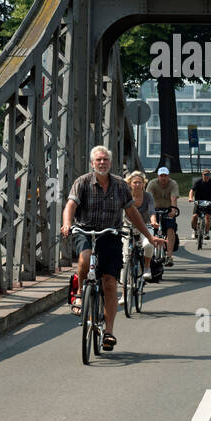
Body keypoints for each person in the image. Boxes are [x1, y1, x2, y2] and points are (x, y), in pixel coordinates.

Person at [62, 146, 164, 351]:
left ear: (110, 163)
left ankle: (108, 332)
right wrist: (67, 223)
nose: (102, 163)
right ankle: (81, 292)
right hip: (86, 231)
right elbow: (71, 205)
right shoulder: (82, 182)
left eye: (105, 160)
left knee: (109, 282)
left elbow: (132, 212)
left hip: (111, 234)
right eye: (98, 160)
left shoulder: (119, 185)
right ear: (92, 163)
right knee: (85, 257)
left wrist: (149, 236)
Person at [123, 171, 156, 290]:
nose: (137, 185)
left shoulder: (148, 196)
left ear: (144, 184)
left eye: (140, 182)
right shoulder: (126, 195)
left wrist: (153, 221)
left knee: (148, 245)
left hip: (145, 225)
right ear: (130, 184)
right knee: (125, 256)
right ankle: (125, 289)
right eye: (135, 182)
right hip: (128, 225)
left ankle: (147, 267)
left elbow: (152, 211)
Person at [148, 167, 179, 266]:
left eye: (165, 176)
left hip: (167, 210)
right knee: (151, 229)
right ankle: (150, 253)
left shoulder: (173, 184)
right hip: (155, 209)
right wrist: (149, 211)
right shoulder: (152, 183)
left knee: (171, 228)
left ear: (168, 176)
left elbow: (173, 198)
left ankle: (169, 256)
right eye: (161, 176)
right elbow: (149, 198)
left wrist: (173, 210)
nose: (163, 178)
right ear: (158, 176)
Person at [189, 168, 211, 237]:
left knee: (207, 217)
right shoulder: (198, 182)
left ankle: (206, 232)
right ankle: (195, 230)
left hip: (208, 202)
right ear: (202, 175)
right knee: (194, 216)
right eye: (205, 174)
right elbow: (192, 190)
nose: (206, 176)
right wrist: (190, 198)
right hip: (198, 202)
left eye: (208, 174)